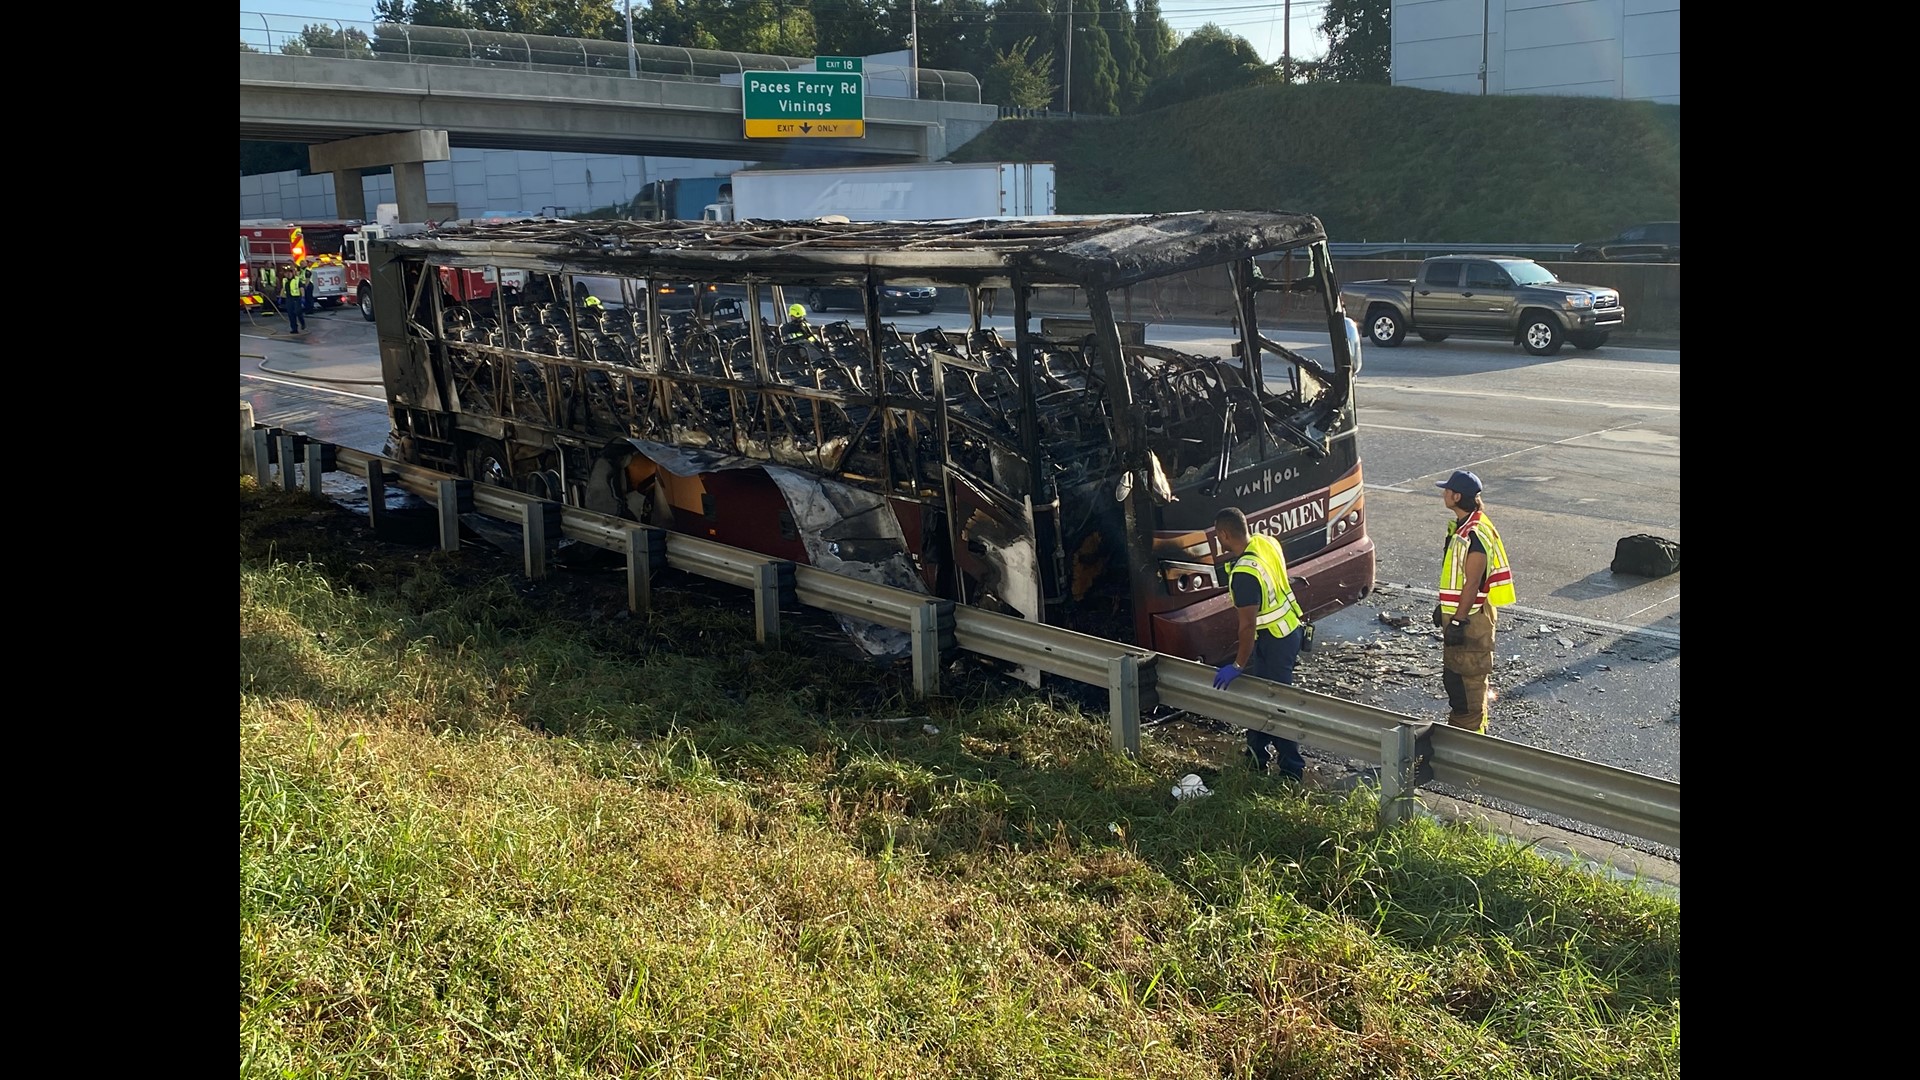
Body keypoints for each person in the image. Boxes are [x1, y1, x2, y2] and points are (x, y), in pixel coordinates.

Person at [1209, 506, 1309, 781]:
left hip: (1274, 640)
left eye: (1218, 536)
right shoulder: (1266, 541)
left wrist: (1238, 664)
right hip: (1289, 631)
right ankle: (1256, 756)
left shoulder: (1243, 574)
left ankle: (1291, 769)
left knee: (1277, 704)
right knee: (1260, 699)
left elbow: (1247, 625)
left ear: (1225, 535)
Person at [1430, 470, 1516, 733]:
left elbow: (1472, 582)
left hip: (1471, 619)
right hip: (1466, 613)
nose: (1443, 493)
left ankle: (1467, 748)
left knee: (1465, 688)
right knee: (1462, 681)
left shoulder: (1474, 533)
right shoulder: (1466, 525)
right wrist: (1444, 607)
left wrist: (1457, 619)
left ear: (1457, 496)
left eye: (1447, 490)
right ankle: (1474, 737)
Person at [282, 263, 307, 334]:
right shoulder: (285, 281)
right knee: (291, 314)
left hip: (297, 299)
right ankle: (294, 329)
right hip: (289, 299)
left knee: (298, 312)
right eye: (286, 273)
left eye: (290, 272)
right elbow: (283, 289)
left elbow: (301, 288)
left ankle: (302, 323)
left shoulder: (297, 280)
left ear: (292, 273)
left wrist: (303, 297)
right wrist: (281, 297)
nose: (288, 274)